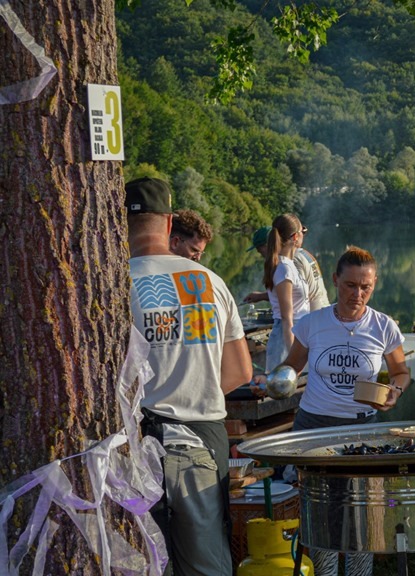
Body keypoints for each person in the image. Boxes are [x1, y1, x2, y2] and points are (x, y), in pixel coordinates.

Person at [126, 177, 252, 576]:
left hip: (137, 442)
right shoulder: (210, 281)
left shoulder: (114, 284)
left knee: (147, 560)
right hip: (201, 437)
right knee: (207, 565)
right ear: (168, 225)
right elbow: (240, 372)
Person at [277, 246, 412, 574]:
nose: (358, 293)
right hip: (314, 427)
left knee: (361, 515)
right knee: (321, 514)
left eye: (365, 286)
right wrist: (276, 379)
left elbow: (401, 372)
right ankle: (324, 572)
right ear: (336, 280)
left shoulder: (383, 326)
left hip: (361, 428)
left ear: (375, 284)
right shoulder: (313, 323)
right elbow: (293, 365)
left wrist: (395, 390)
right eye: (351, 285)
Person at [262, 214, 310, 370]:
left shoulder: (288, 265)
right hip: (287, 336)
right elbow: (286, 318)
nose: (304, 234)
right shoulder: (284, 268)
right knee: (282, 389)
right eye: (303, 231)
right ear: (295, 237)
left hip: (298, 332)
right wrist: (293, 356)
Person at [293, 224, 331, 312]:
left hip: (313, 315)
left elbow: (298, 292)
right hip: (324, 309)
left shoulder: (293, 259)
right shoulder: (304, 253)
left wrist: (261, 296)